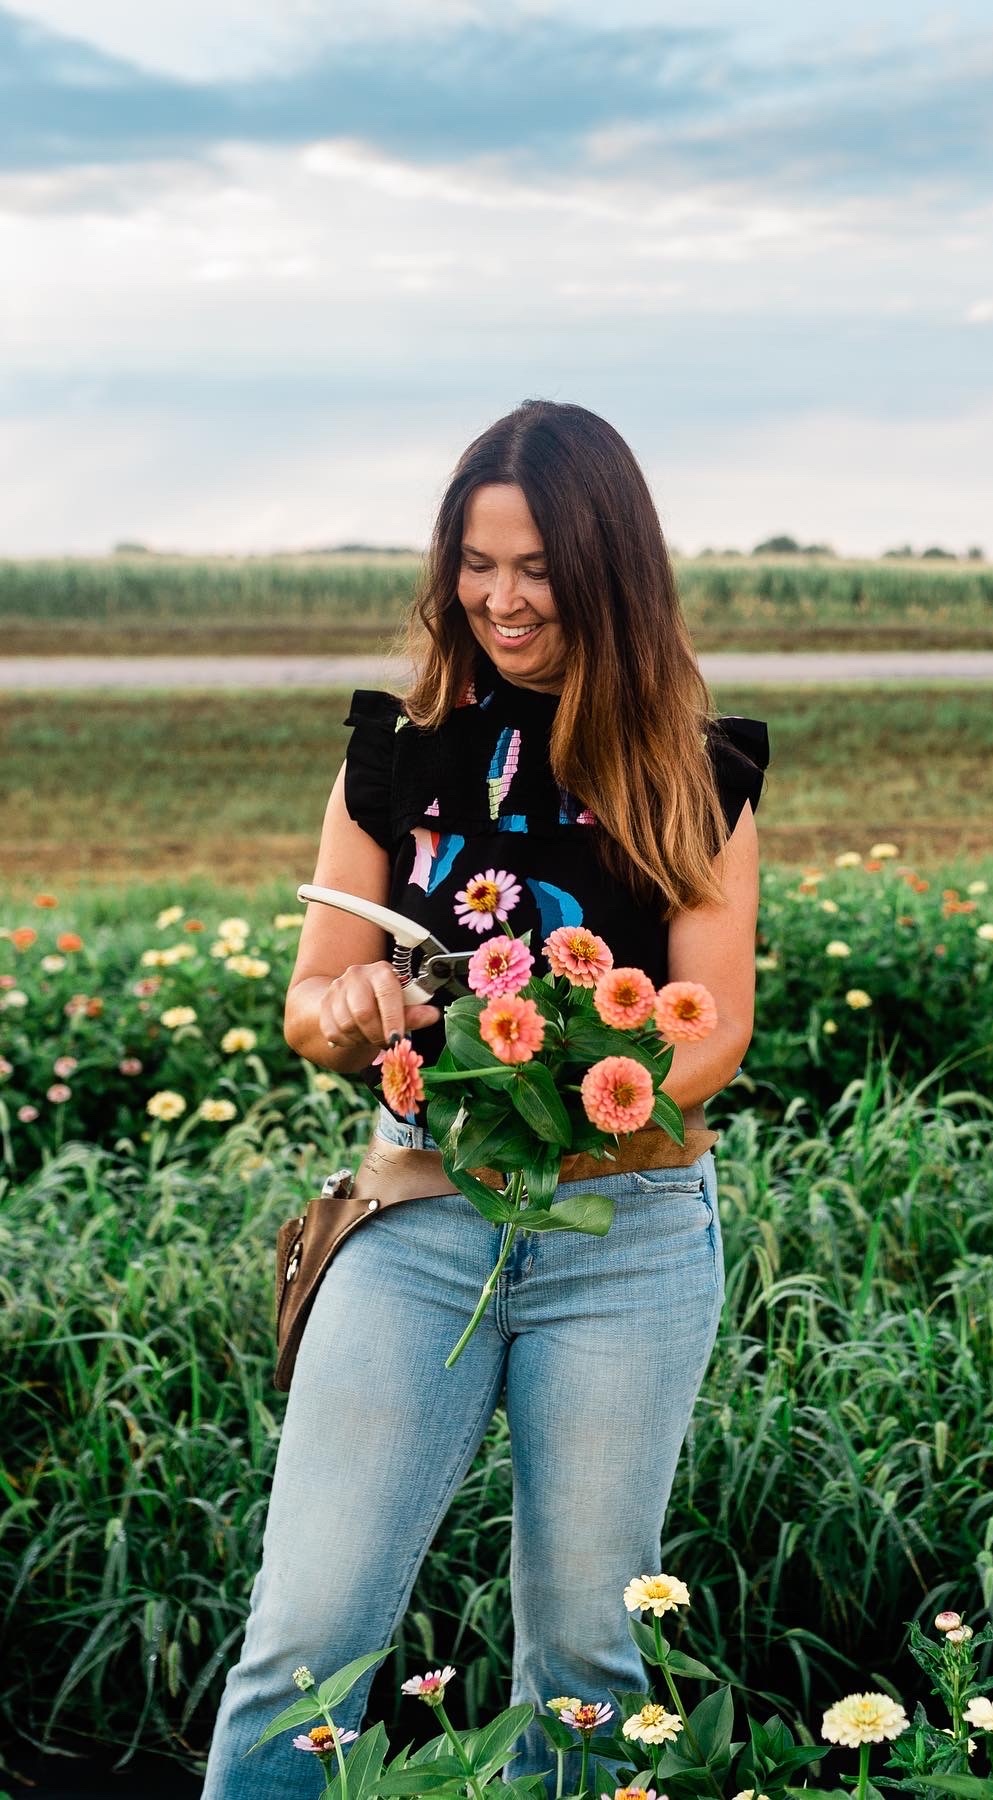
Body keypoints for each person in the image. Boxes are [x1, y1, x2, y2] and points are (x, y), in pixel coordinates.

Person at [199, 399, 769, 1797]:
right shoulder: (397, 760)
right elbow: (313, 1000)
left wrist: (572, 1113)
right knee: (308, 1640)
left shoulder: (698, 770)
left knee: (587, 1667)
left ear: (609, 569)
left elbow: (715, 1030)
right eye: (475, 563)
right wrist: (353, 1012)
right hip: (415, 1223)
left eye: (537, 568)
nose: (502, 600)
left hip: (625, 1237)